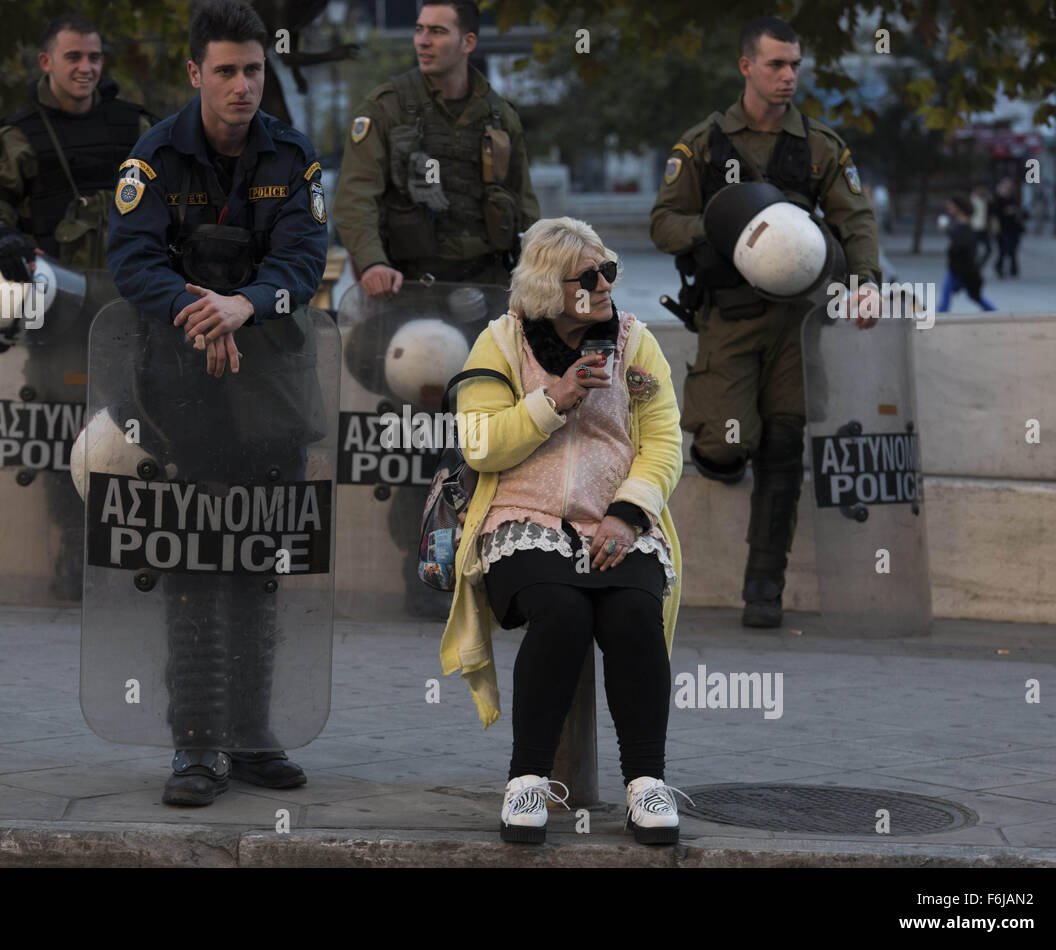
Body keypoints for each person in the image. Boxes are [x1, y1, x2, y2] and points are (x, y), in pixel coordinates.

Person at [106, 0, 328, 806]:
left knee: (259, 566)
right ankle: (196, 746)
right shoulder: (155, 155)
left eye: (254, 71)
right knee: (197, 565)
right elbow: (131, 258)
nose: (242, 86)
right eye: (226, 71)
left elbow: (305, 260)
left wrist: (247, 305)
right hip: (178, 391)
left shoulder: (293, 153)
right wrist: (197, 309)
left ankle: (252, 733)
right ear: (196, 72)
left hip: (271, 387)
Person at [439, 217, 687, 845]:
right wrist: (552, 399)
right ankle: (526, 781)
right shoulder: (499, 343)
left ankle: (646, 785)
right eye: (590, 276)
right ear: (553, 288)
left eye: (611, 271)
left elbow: (662, 443)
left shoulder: (635, 342)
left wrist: (628, 514)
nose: (606, 284)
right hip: (521, 515)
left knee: (633, 611)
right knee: (562, 613)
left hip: (615, 516)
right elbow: (478, 445)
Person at [649, 15, 880, 628]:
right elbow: (664, 222)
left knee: (784, 445)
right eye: (776, 64)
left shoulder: (821, 145)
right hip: (729, 319)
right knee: (725, 445)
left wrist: (865, 284)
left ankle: (764, 586)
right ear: (746, 66)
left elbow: (855, 219)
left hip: (800, 322)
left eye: (796, 65)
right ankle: (724, 458)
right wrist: (730, 228)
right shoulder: (704, 143)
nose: (788, 77)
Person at [334, 0, 539, 294]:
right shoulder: (386, 108)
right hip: (409, 286)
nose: (423, 41)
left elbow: (526, 205)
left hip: (491, 284)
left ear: (467, 42)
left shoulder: (500, 114)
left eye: (437, 31)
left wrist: (540, 271)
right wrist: (372, 264)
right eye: (419, 30)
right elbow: (356, 198)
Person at [0, 13, 156, 281]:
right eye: (73, 57)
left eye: (94, 57)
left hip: (134, 294)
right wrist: (0, 238)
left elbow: (176, 201)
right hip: (50, 295)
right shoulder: (11, 140)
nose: (86, 68)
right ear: (46, 62)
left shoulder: (138, 128)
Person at [939, 196, 995, 312]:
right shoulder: (960, 225)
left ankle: (995, 312)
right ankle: (994, 312)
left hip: (963, 270)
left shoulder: (965, 227)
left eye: (952, 205)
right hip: (959, 269)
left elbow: (962, 246)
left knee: (952, 296)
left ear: (959, 207)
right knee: (967, 296)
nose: (949, 207)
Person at [992, 177, 1025, 279]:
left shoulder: (1014, 198)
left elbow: (1022, 211)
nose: (1007, 188)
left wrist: (1016, 212)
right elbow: (993, 213)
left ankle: (1013, 270)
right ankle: (999, 267)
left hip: (1014, 228)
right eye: (1005, 186)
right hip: (1002, 228)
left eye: (1009, 186)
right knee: (1003, 249)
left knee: (1013, 249)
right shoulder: (997, 199)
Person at [970, 184, 992, 265]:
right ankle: (973, 266)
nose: (981, 192)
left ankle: (979, 265)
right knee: (973, 250)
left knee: (989, 249)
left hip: (983, 228)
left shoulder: (985, 200)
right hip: (974, 228)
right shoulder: (970, 200)